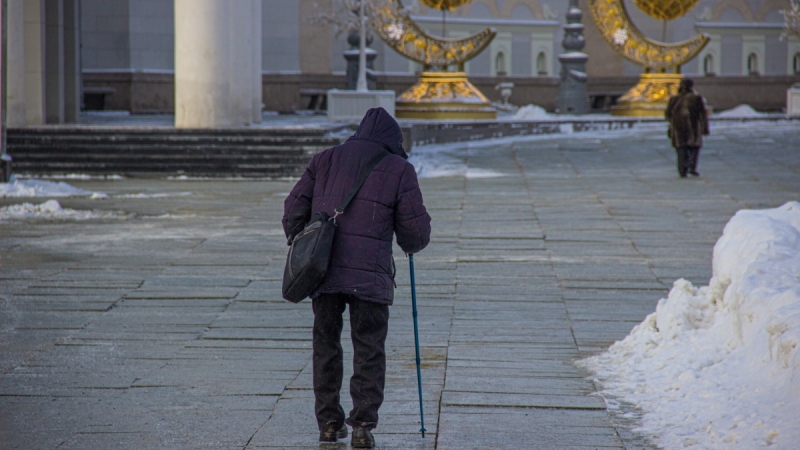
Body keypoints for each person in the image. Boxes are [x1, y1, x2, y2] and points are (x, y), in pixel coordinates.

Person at [282, 107, 431, 448]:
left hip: (323, 271)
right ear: (393, 141)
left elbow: (293, 211)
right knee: (369, 347)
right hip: (371, 277)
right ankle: (363, 425)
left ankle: (330, 424)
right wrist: (412, 243)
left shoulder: (325, 160)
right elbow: (415, 232)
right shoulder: (399, 169)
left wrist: (302, 240)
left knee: (326, 346)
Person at [665, 78, 710, 177]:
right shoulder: (696, 98)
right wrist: (705, 129)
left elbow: (668, 114)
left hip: (678, 128)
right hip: (693, 127)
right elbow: (702, 114)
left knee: (681, 148)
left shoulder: (674, 99)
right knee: (694, 147)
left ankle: (682, 169)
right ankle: (691, 165)